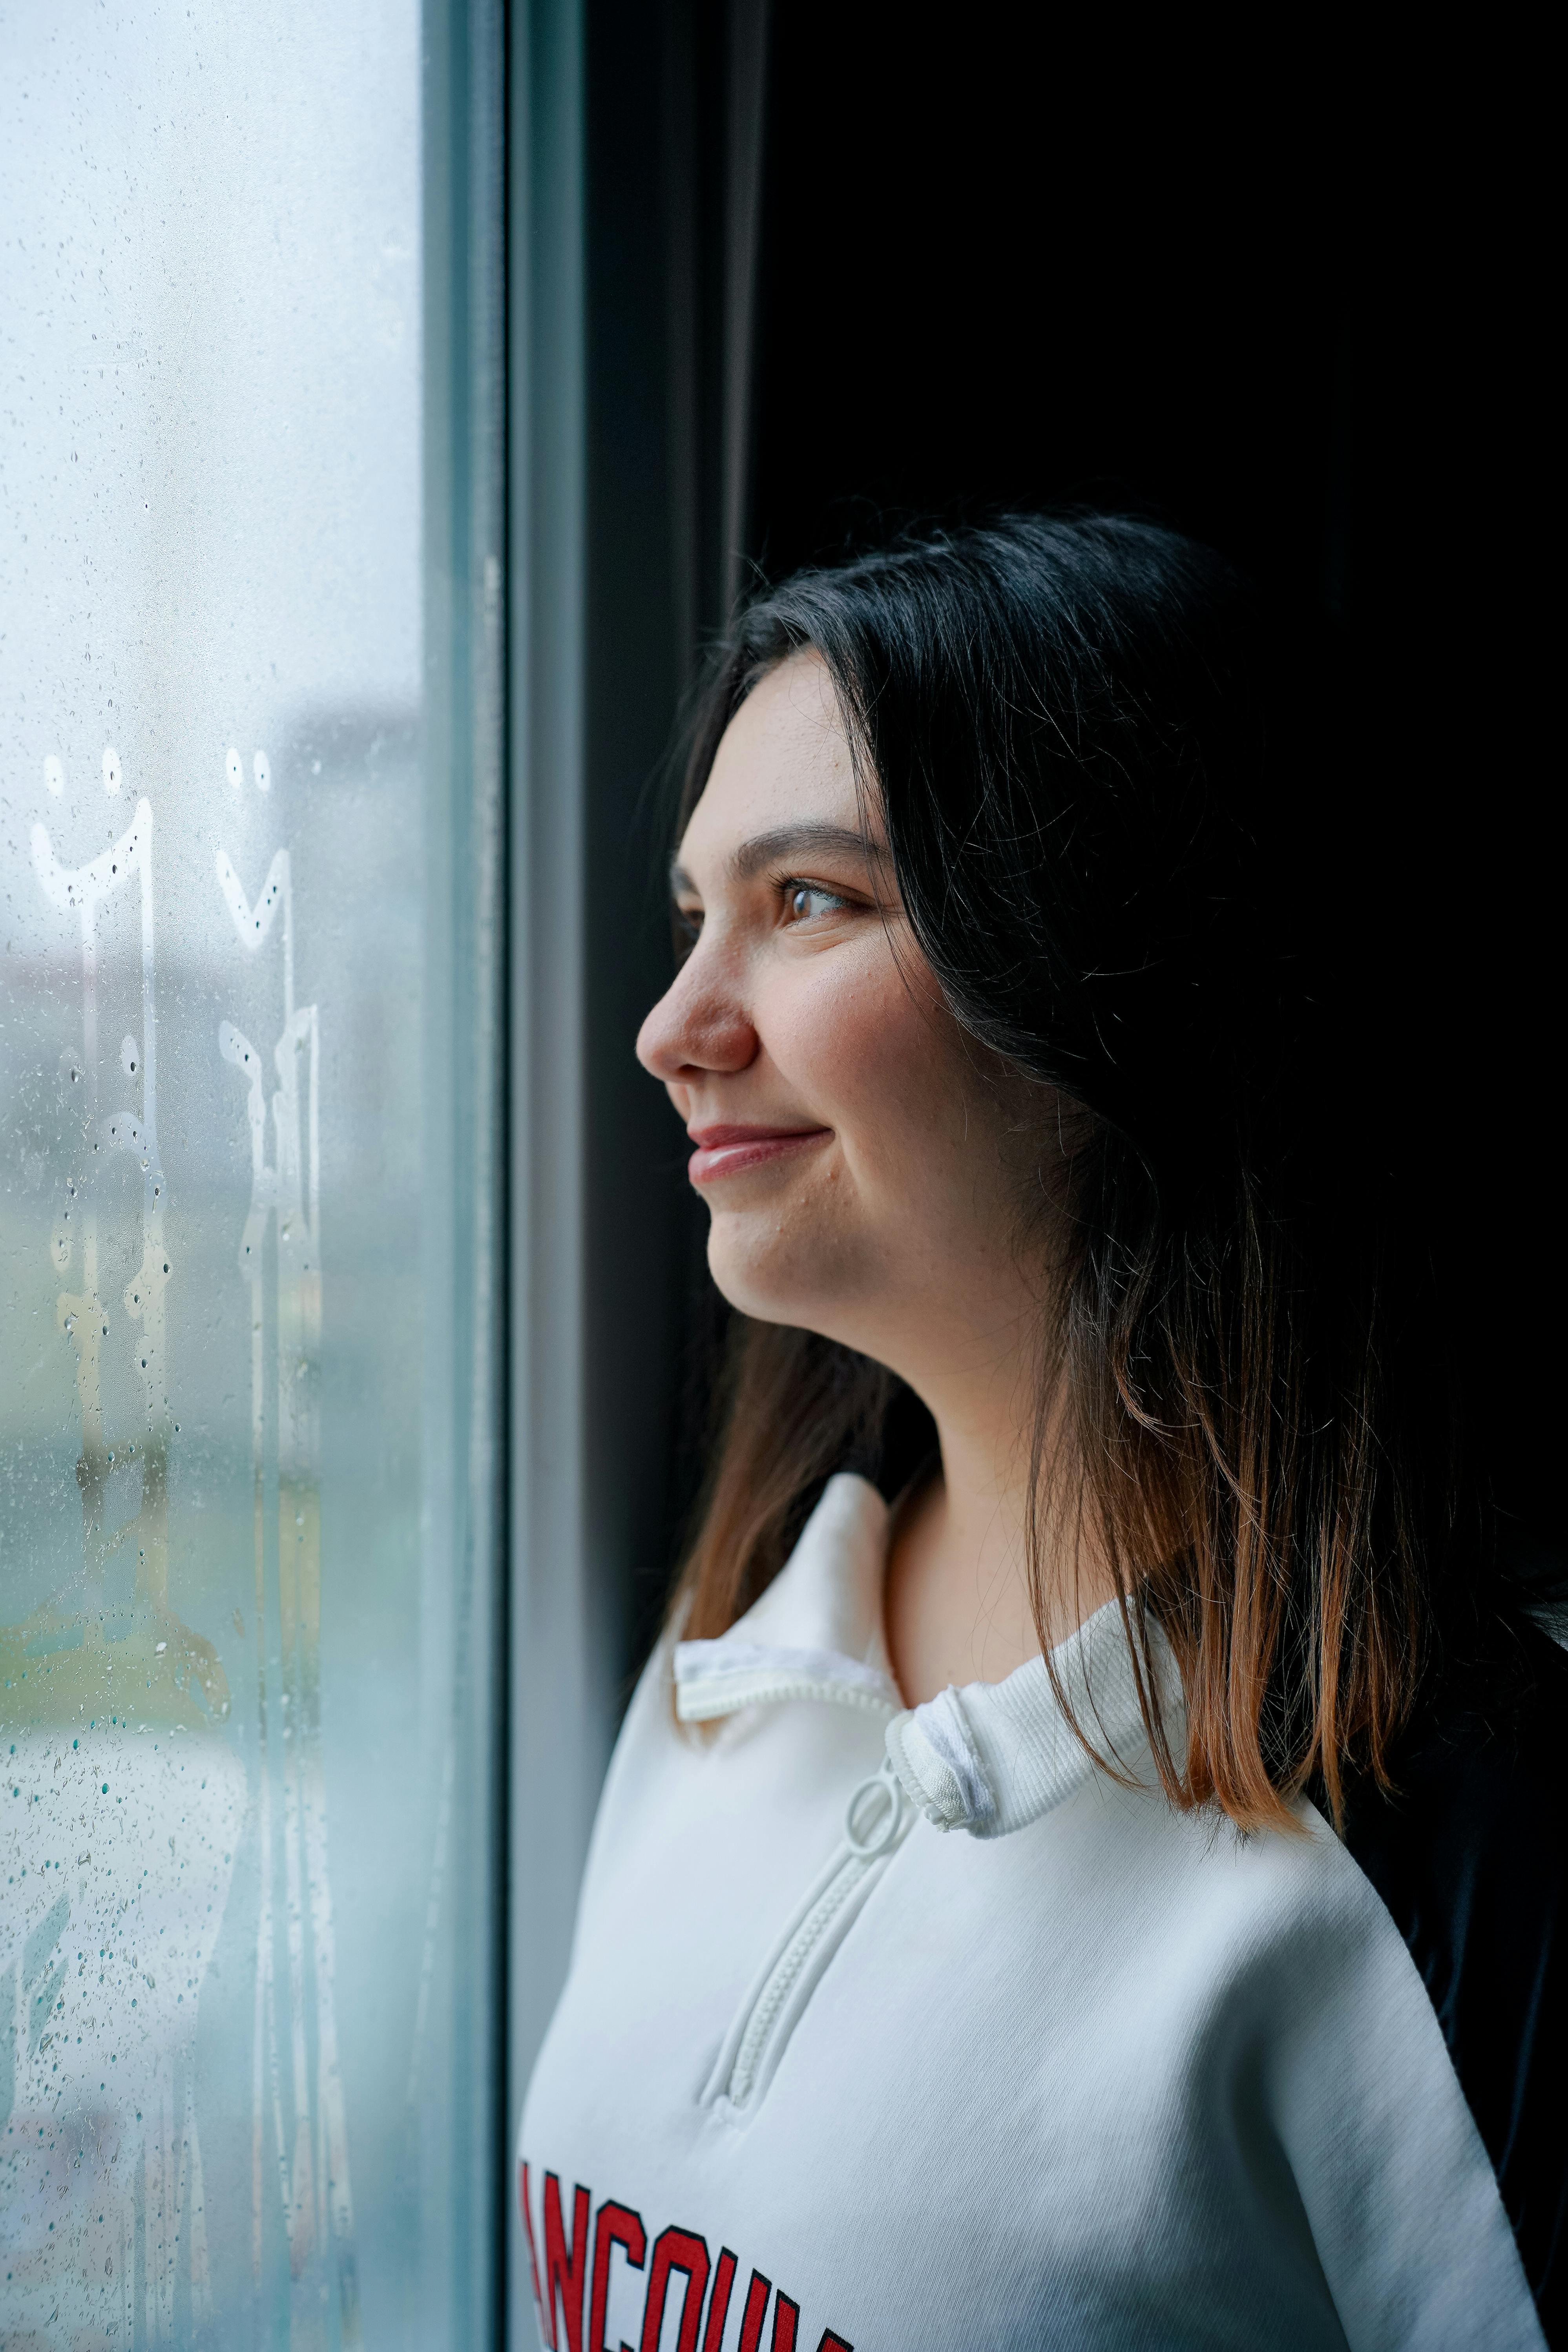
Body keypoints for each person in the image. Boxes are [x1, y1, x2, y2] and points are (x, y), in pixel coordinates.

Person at [518, 515, 1563, 2350]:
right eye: (697, 917)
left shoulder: (1447, 1852)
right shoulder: (724, 1655)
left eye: (809, 901)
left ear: (1115, 976)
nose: (672, 1026)